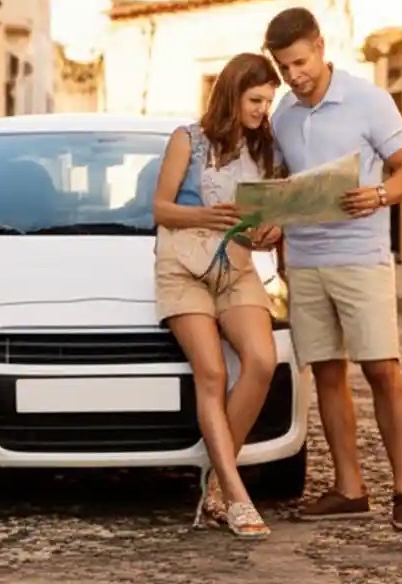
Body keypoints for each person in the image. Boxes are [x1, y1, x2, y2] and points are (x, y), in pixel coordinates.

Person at [263, 7, 402, 531]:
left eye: (299, 61)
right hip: (306, 262)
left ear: (319, 45)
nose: (294, 75)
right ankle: (349, 488)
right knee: (328, 375)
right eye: (284, 67)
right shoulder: (283, 115)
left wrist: (379, 194)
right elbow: (282, 185)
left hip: (361, 256)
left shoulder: (370, 100)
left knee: (382, 370)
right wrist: (273, 222)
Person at [152, 52, 285, 538]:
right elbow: (161, 208)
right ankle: (236, 495)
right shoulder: (186, 139)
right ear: (231, 93)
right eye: (254, 99)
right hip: (183, 266)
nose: (261, 110)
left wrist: (269, 231)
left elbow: (259, 221)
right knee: (210, 371)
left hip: (236, 266)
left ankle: (213, 484)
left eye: (268, 101)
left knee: (262, 360)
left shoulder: (266, 151)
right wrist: (208, 216)